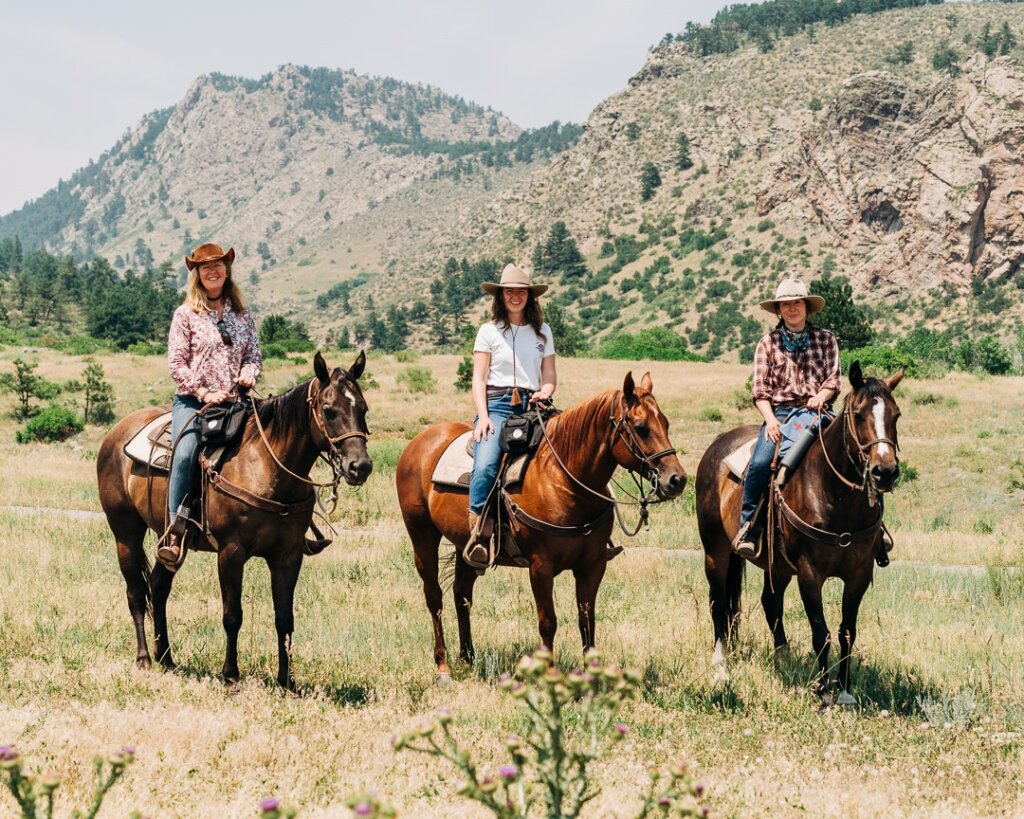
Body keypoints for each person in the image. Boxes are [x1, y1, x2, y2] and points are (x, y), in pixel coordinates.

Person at [156, 243, 263, 567]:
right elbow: (176, 363)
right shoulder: (186, 315)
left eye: (218, 265)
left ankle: (294, 526)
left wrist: (248, 374)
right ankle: (175, 532)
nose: (213, 271)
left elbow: (254, 355)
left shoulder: (242, 315)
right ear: (197, 275)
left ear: (226, 270)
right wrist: (203, 392)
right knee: (186, 451)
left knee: (281, 440)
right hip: (193, 402)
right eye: (206, 267)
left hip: (237, 401)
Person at [733, 276, 839, 559]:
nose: (792, 309)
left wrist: (823, 396)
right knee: (759, 463)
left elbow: (833, 379)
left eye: (797, 303)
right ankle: (749, 528)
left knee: (860, 451)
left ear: (806, 307)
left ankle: (876, 530)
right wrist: (770, 420)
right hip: (779, 414)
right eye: (786, 305)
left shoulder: (826, 339)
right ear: (779, 310)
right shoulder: (768, 343)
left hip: (819, 411)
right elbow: (760, 390)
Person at [466, 263, 556, 567]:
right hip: (499, 406)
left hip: (534, 407)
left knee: (575, 450)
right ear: (501, 296)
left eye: (521, 291)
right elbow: (478, 379)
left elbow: (550, 375)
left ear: (529, 297)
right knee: (486, 464)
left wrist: (545, 390)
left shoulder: (543, 332)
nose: (515, 296)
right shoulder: (488, 332)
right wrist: (484, 416)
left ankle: (593, 533)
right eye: (509, 291)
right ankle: (479, 534)